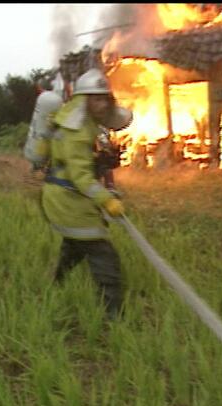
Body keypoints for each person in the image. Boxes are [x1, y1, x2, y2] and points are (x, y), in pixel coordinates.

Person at [41, 68, 132, 319]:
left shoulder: (82, 120)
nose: (102, 104)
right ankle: (113, 316)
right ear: (84, 99)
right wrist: (107, 200)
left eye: (105, 98)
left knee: (76, 243)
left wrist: (102, 161)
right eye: (96, 98)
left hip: (65, 195)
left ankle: (55, 282)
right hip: (67, 197)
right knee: (102, 253)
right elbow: (80, 177)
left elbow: (82, 162)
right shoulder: (76, 129)